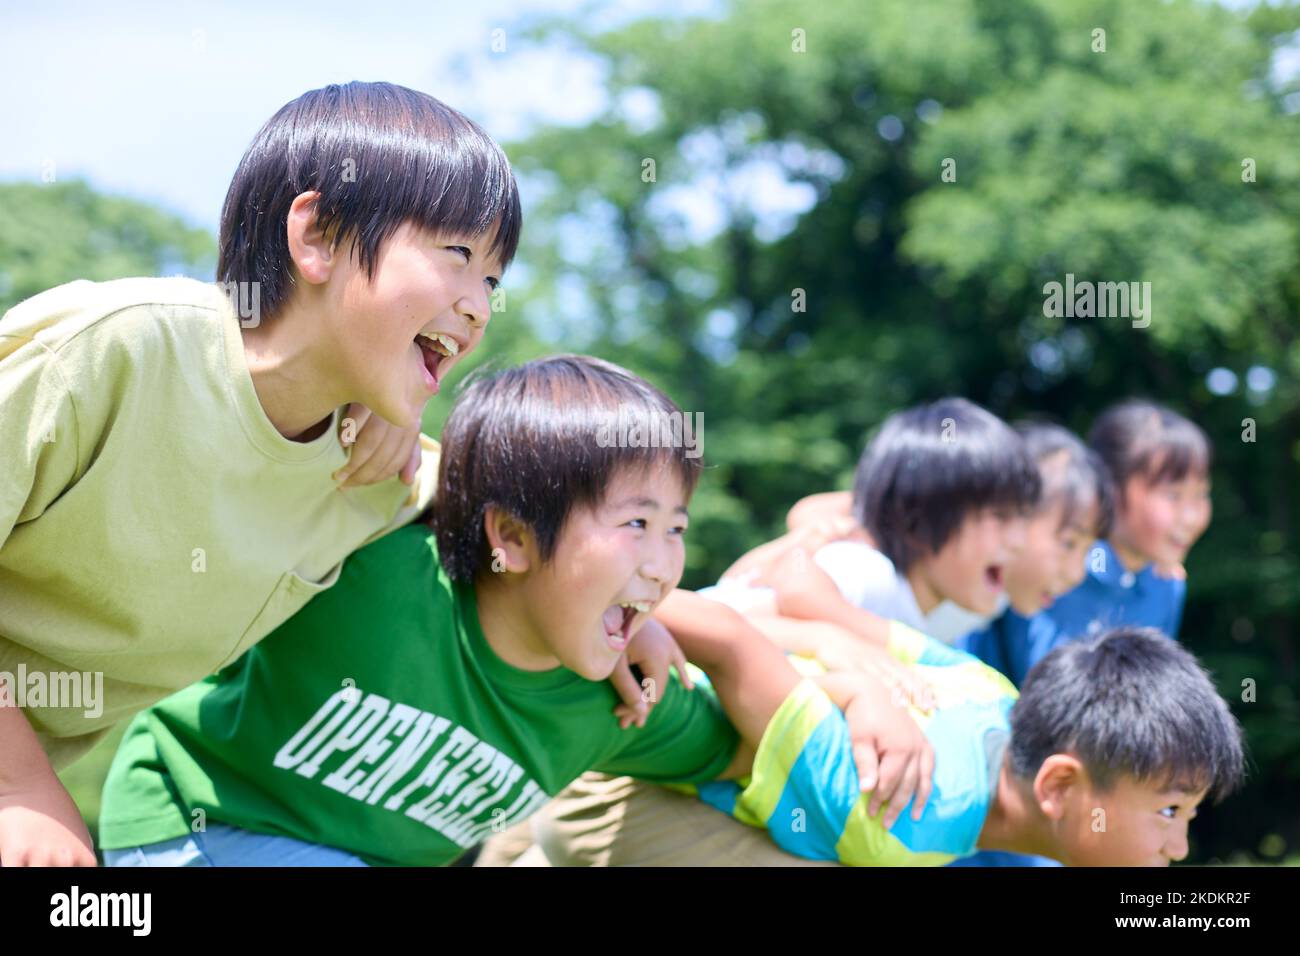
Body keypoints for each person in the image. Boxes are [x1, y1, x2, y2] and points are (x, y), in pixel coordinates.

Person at [98, 356, 934, 866]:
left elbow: (757, 749)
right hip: (193, 821)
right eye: (635, 523)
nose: (662, 561)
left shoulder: (622, 695)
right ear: (511, 535)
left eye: (675, 529)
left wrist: (860, 691)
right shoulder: (383, 567)